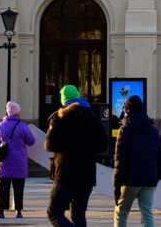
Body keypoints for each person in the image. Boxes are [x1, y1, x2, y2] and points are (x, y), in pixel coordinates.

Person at [44, 84, 107, 227]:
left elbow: (50, 145)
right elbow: (102, 144)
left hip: (66, 173)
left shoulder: (59, 118)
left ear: (63, 100)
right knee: (79, 216)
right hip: (87, 174)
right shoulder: (92, 117)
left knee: (53, 213)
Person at [112, 95, 161, 227]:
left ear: (127, 110)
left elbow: (120, 159)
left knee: (121, 212)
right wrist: (157, 177)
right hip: (149, 180)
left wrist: (117, 185)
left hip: (130, 180)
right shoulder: (152, 130)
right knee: (147, 213)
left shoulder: (125, 129)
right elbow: (160, 156)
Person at [0, 100, 36, 219]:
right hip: (19, 162)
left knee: (3, 187)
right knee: (18, 186)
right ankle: (18, 211)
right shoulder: (23, 126)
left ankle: (0, 211)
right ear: (17, 113)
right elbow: (31, 141)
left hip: (4, 162)